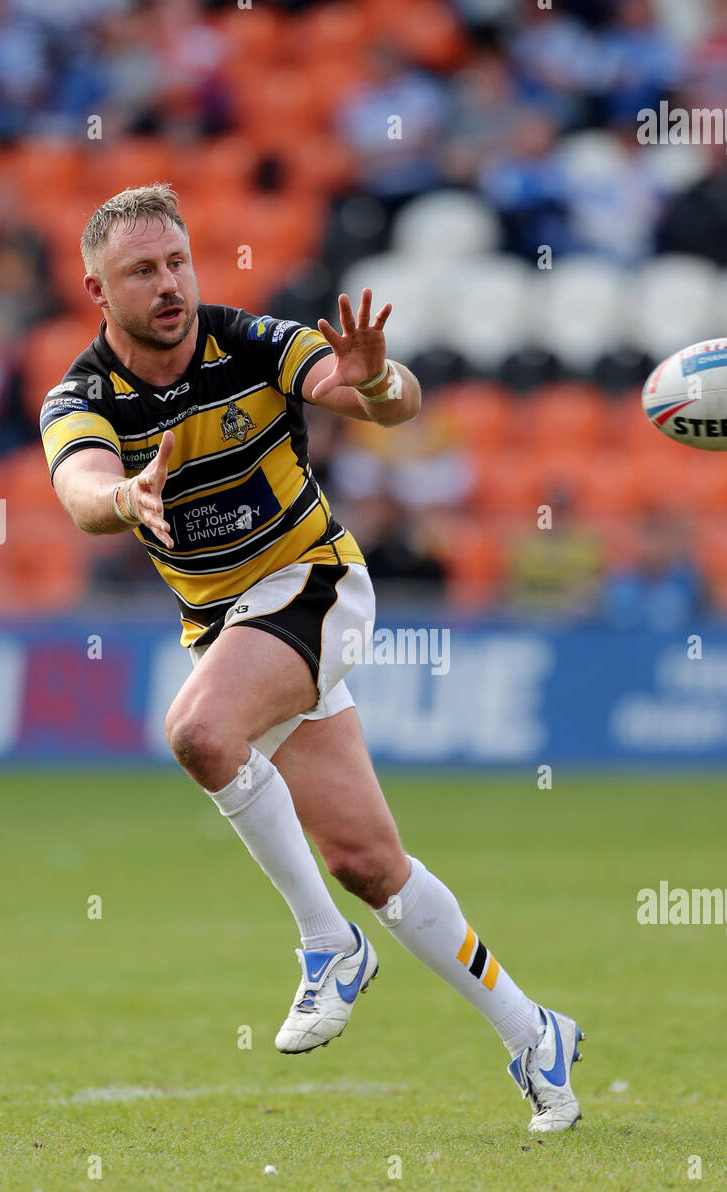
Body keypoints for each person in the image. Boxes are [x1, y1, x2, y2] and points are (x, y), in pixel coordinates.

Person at [39, 183, 584, 1133]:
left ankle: (328, 948)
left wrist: (376, 382)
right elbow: (81, 488)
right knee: (373, 863)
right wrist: (125, 497)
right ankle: (536, 1032)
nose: (169, 283)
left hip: (313, 584)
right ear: (97, 289)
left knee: (201, 733)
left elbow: (389, 398)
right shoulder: (81, 395)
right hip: (228, 626)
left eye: (177, 261)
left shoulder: (250, 342)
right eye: (142, 271)